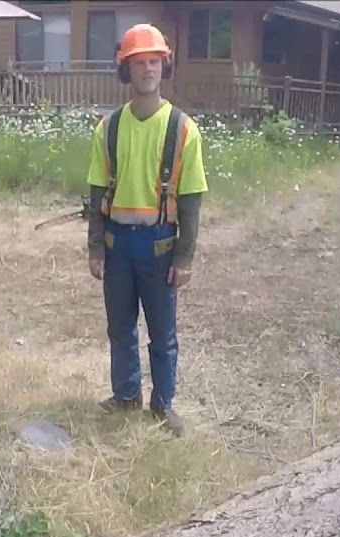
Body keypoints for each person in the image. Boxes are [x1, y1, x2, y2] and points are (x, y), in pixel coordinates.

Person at [85, 23, 208, 437]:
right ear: (126, 69)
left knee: (162, 335)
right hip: (117, 244)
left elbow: (191, 201)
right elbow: (96, 193)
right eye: (139, 63)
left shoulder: (182, 128)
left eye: (154, 61)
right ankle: (125, 396)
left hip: (160, 246)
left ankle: (162, 405)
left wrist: (185, 256)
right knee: (120, 329)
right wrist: (95, 248)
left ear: (164, 66)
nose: (148, 69)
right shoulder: (108, 128)